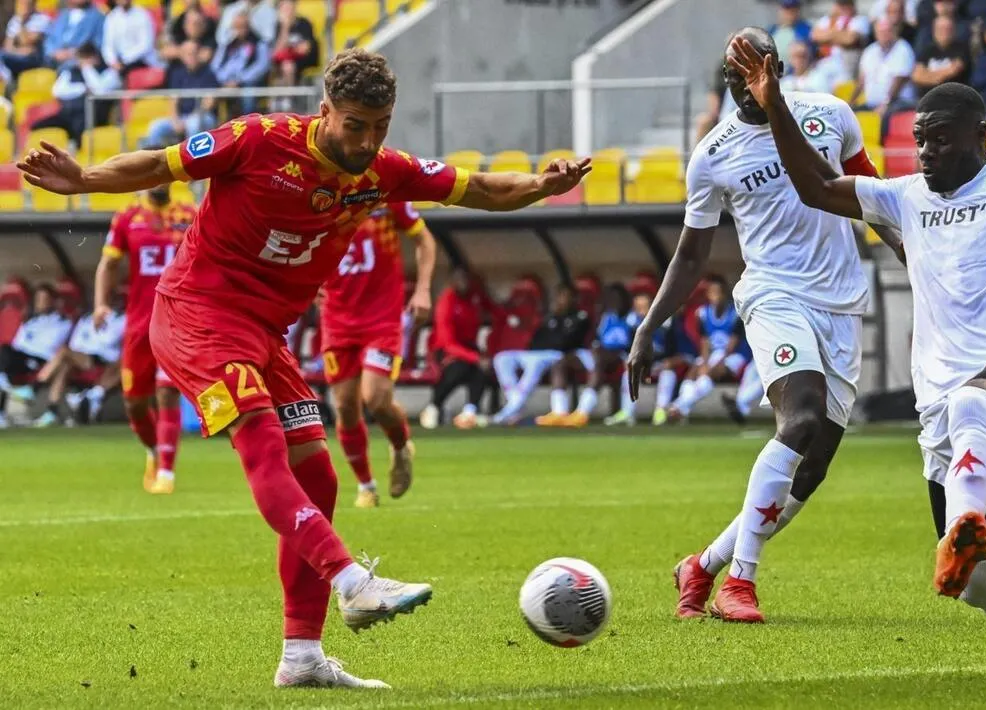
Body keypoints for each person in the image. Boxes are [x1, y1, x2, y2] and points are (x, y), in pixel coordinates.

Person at [17, 48, 589, 687]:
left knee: (318, 474)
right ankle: (353, 582)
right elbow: (158, 163)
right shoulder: (257, 140)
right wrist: (87, 179)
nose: (369, 141)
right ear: (324, 113)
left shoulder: (385, 171)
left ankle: (302, 658)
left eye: (381, 125)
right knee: (262, 444)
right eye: (356, 126)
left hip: (266, 334)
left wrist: (542, 186)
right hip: (197, 314)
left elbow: (479, 188)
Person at [727, 35, 986, 621]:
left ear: (981, 133)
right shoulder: (905, 197)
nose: (927, 151)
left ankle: (966, 522)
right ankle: (968, 539)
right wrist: (774, 102)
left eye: (941, 138)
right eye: (919, 140)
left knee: (972, 403)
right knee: (984, 590)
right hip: (943, 409)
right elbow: (815, 186)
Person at [627, 27, 902, 624]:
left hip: (841, 300)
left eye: (758, 71)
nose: (748, 87)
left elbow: (875, 195)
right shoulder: (714, 154)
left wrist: (917, 262)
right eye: (736, 77)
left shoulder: (831, 115)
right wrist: (649, 325)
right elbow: (693, 254)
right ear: (725, 83)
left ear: (776, 66)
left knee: (818, 459)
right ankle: (741, 584)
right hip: (774, 295)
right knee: (799, 418)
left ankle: (703, 565)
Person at [319, 201, 435, 509]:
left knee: (376, 398)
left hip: (382, 319)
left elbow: (424, 239)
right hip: (336, 320)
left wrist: (423, 289)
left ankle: (400, 447)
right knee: (344, 406)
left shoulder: (386, 195)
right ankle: (366, 486)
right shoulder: (317, 196)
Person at [93, 184, 194, 493]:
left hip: (179, 320)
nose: (159, 183)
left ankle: (166, 472)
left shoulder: (189, 215)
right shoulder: (127, 218)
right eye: (154, 178)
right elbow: (108, 264)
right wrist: (100, 303)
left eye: (164, 177)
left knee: (167, 393)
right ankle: (153, 450)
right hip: (140, 322)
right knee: (134, 403)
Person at [492, 283, 590, 426]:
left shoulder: (580, 317)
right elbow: (537, 338)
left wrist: (553, 337)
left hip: (556, 354)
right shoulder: (551, 317)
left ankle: (508, 412)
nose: (562, 300)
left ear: (574, 299)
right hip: (535, 352)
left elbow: (566, 341)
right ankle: (515, 404)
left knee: (535, 364)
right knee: (501, 358)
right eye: (560, 296)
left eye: (566, 296)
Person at [537, 282, 633, 427]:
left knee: (598, 362)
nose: (613, 301)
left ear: (624, 300)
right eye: (610, 298)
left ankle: (582, 412)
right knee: (560, 363)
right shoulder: (605, 316)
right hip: (597, 352)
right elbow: (596, 337)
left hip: (621, 355)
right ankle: (559, 411)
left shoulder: (631, 317)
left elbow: (629, 342)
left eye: (616, 298)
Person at [420, 267, 495, 430]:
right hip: (443, 349)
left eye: (466, 280)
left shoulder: (475, 297)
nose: (464, 284)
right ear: (452, 282)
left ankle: (470, 412)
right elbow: (448, 344)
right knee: (460, 367)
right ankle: (433, 407)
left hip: (468, 345)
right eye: (460, 280)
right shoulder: (446, 302)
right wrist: (475, 358)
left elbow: (494, 310)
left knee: (481, 369)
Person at [668, 275, 751, 422]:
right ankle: (683, 411)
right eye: (712, 292)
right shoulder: (702, 313)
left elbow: (733, 344)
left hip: (734, 355)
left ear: (726, 293)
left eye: (719, 292)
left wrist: (714, 364)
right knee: (694, 371)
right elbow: (704, 342)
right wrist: (704, 362)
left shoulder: (735, 313)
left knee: (712, 372)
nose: (716, 295)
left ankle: (678, 406)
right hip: (713, 353)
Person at [32, 299, 124, 427]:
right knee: (65, 366)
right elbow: (75, 342)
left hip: (103, 359)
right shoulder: (86, 319)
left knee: (64, 352)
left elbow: (109, 342)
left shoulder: (121, 319)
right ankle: (53, 411)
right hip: (84, 356)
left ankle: (35, 387)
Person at [0, 284, 73, 427]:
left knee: (4, 357)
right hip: (20, 356)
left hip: (39, 359)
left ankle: (6, 383)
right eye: (38, 299)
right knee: (5, 350)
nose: (40, 302)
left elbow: (51, 345)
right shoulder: (31, 321)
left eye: (44, 299)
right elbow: (18, 343)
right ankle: (4, 383)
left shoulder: (62, 322)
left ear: (53, 301)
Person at [605, 291, 672, 426]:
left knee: (668, 374)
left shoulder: (665, 322)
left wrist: (670, 361)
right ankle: (627, 412)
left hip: (660, 363)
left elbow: (672, 347)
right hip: (640, 364)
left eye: (644, 307)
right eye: (638, 307)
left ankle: (661, 411)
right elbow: (626, 348)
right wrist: (627, 360)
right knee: (628, 372)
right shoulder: (631, 324)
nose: (641, 311)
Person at [911, 14, 972, 94]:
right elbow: (916, 76)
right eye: (940, 29)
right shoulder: (927, 50)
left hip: (953, 98)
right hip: (927, 99)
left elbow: (953, 70)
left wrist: (927, 75)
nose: (944, 32)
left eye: (947, 29)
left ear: (954, 30)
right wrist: (936, 78)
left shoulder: (962, 49)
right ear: (934, 31)